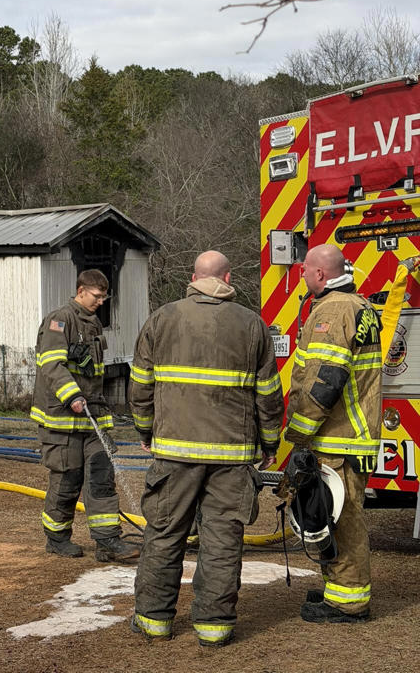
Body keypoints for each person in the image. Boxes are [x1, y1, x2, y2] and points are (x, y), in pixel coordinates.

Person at [129, 251, 284, 646]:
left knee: (164, 533)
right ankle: (214, 627)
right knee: (222, 539)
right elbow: (268, 394)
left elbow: (140, 386)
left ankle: (154, 620)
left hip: (174, 454)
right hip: (231, 457)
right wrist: (270, 442)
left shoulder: (162, 318)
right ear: (228, 277)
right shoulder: (252, 325)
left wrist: (146, 433)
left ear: (193, 277)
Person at [284, 244, 382, 624]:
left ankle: (349, 603)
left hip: (338, 437)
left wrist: (299, 435)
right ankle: (337, 589)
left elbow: (325, 381)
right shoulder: (356, 306)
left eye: (305, 271)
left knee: (343, 518)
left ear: (321, 274)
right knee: (330, 514)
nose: (302, 277)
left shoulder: (334, 311)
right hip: (348, 435)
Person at [30, 268, 140, 564]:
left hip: (93, 416)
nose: (101, 301)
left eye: (104, 296)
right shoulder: (60, 320)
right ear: (81, 291)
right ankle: (56, 537)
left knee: (100, 476)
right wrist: (72, 395)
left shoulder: (92, 324)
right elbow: (52, 365)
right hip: (62, 419)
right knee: (68, 478)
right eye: (97, 295)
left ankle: (107, 541)